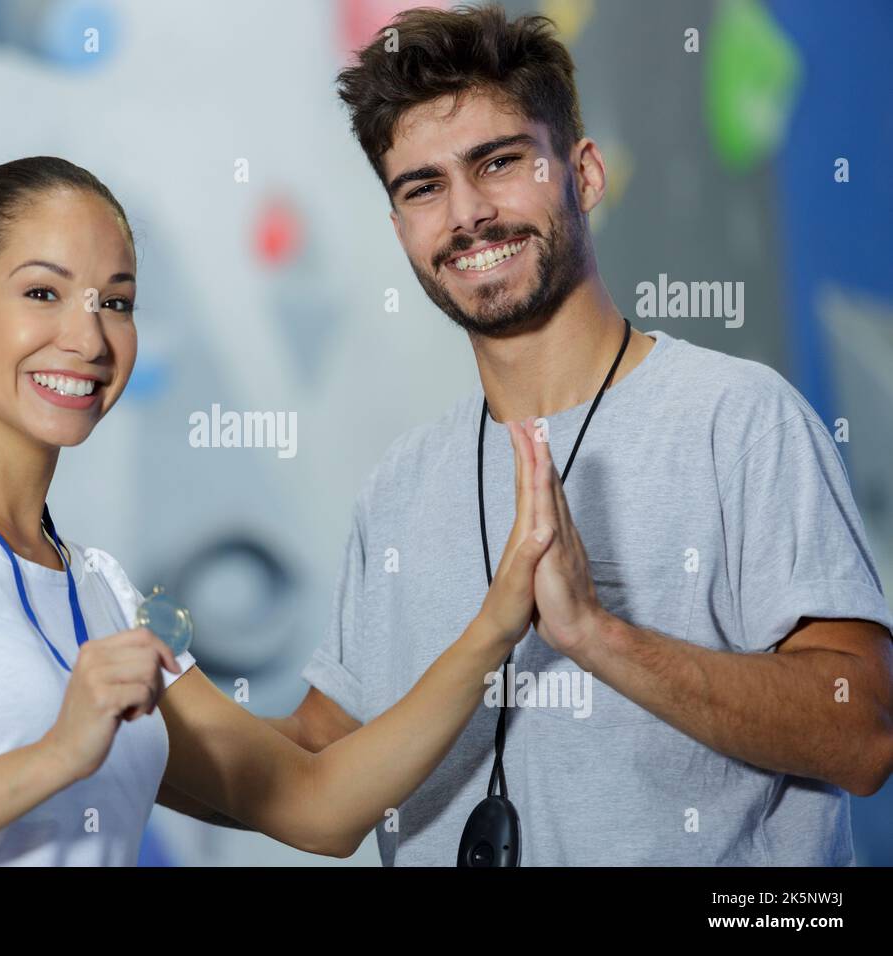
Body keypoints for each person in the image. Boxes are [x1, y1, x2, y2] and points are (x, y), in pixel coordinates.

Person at [170, 4, 893, 865]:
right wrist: (122, 736)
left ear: (583, 174)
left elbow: (863, 731)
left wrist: (598, 634)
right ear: (400, 228)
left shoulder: (738, 417)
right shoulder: (401, 483)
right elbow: (321, 758)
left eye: (499, 162)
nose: (468, 214)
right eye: (424, 188)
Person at [0, 155, 559, 866]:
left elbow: (318, 807)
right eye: (43, 292)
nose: (88, 338)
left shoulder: (102, 593)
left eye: (116, 302)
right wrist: (57, 754)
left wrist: (496, 624)